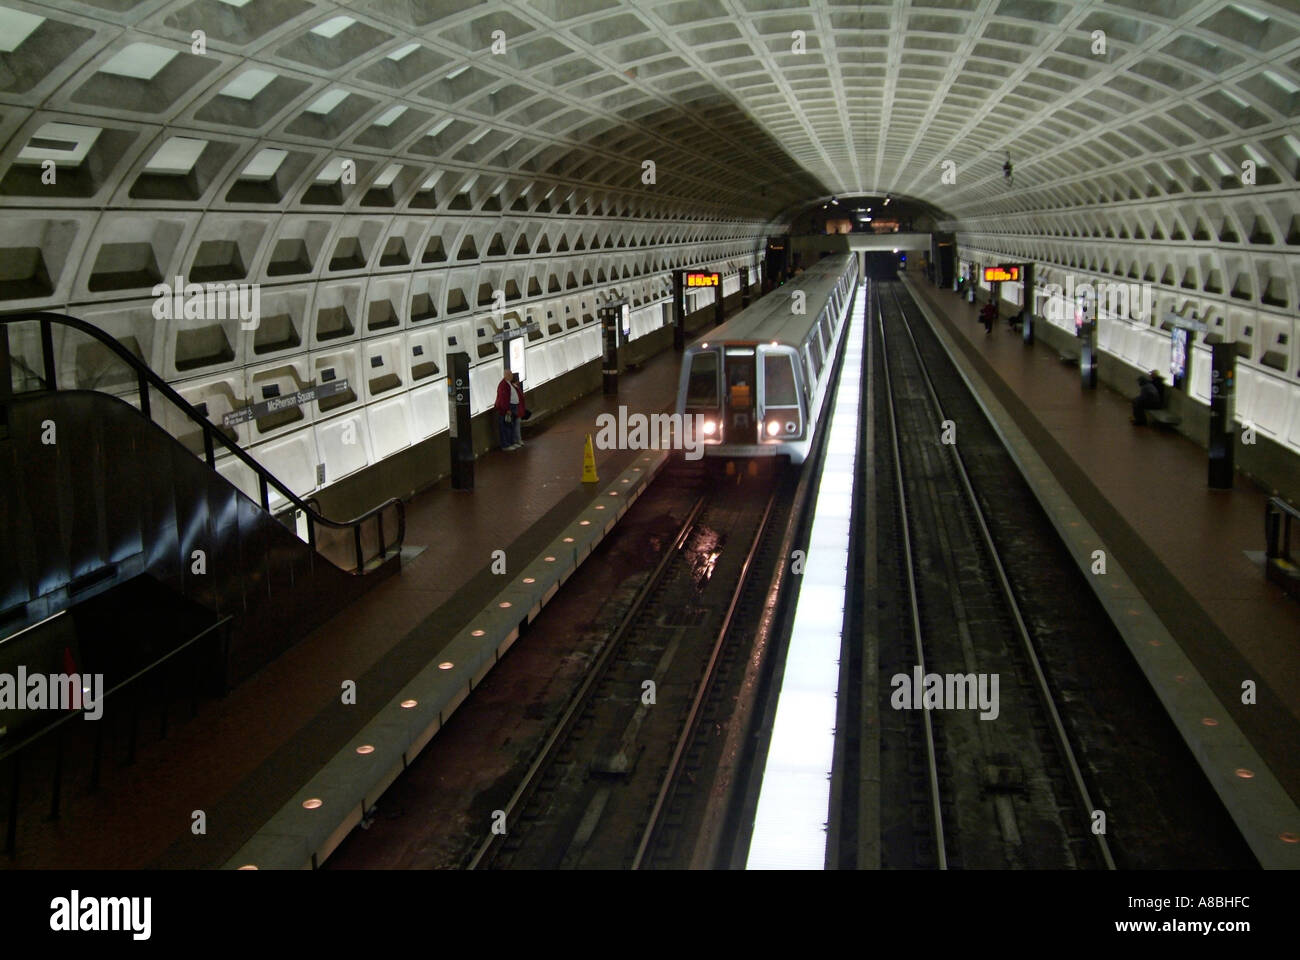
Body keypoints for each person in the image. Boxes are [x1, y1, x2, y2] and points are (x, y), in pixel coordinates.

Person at [495, 370, 527, 450]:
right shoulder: (503, 385)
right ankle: (506, 445)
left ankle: (512, 442)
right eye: (509, 374)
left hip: (513, 407)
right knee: (506, 427)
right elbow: (503, 399)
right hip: (507, 409)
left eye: (511, 374)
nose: (511, 376)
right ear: (506, 375)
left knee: (511, 426)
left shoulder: (509, 384)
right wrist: (507, 409)